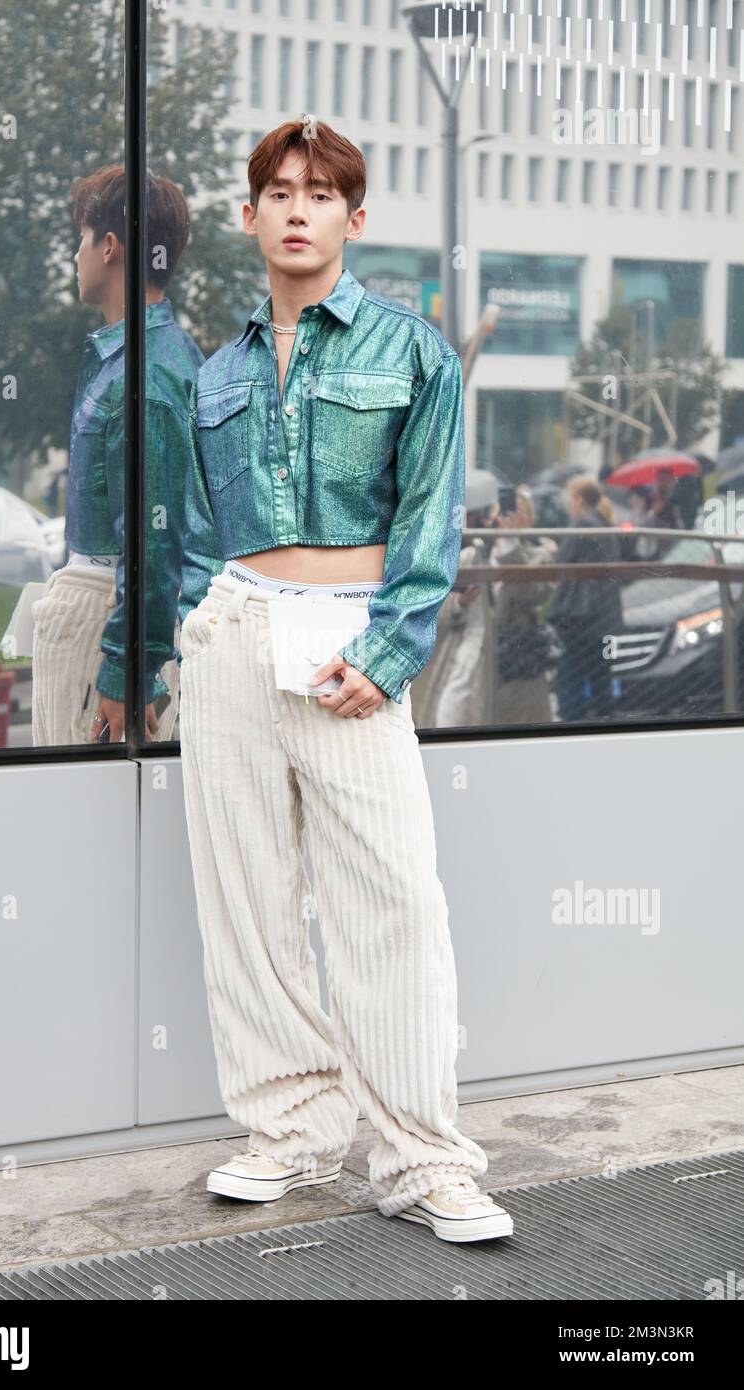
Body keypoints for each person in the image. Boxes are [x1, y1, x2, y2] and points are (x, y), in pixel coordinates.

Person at [176, 118, 513, 1244]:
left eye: (319, 193)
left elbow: (430, 518)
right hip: (234, 635)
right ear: (248, 215)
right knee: (247, 904)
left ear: (352, 220)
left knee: (392, 904)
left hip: (346, 636)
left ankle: (420, 1158)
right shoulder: (214, 369)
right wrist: (193, 631)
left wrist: (385, 650)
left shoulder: (408, 350)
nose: (295, 208)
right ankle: (292, 1126)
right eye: (276, 190)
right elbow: (191, 524)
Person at [31, 164, 204, 747]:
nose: (75, 255)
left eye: (80, 238)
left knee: (86, 822)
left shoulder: (145, 371)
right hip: (114, 618)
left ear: (109, 247)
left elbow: (155, 540)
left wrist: (124, 664)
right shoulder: (146, 357)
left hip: (107, 620)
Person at [409, 470, 499, 730]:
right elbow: (418, 604)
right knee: (444, 711)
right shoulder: (433, 548)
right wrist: (457, 605)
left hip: (470, 643)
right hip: (442, 649)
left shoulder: (480, 546)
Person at [548, 476, 624, 722]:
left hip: (578, 615)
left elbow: (559, 562)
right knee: (600, 673)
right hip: (602, 616)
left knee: (569, 674)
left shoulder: (582, 526)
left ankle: (572, 723)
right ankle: (604, 721)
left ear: (579, 499)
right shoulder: (605, 525)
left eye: (571, 498)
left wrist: (551, 551)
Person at [490, 485, 557, 726]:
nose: (511, 517)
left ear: (529, 520)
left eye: (520, 512)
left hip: (517, 658)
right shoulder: (478, 550)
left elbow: (526, 590)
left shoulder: (540, 556)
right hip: (480, 658)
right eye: (506, 511)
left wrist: (511, 543)